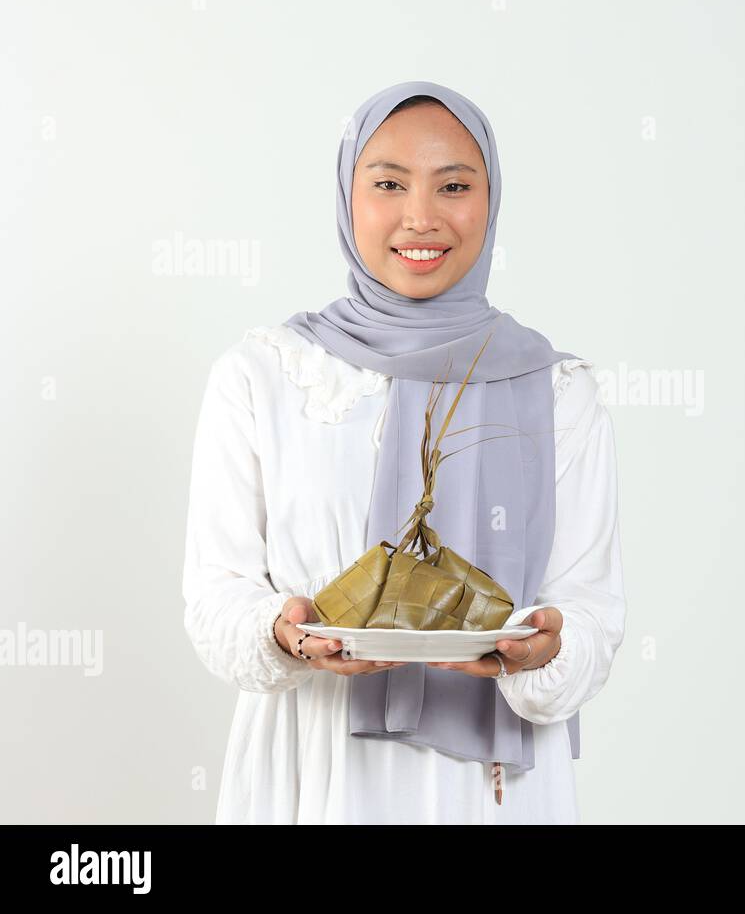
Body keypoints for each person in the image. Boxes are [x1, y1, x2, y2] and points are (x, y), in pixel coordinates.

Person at [181, 82, 626, 823]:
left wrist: (547, 648)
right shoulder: (264, 374)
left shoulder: (557, 390)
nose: (422, 217)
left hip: (491, 789)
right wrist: (282, 632)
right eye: (388, 184)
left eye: (454, 185)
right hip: (312, 767)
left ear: (491, 199)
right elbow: (215, 598)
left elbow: (592, 612)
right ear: (346, 196)